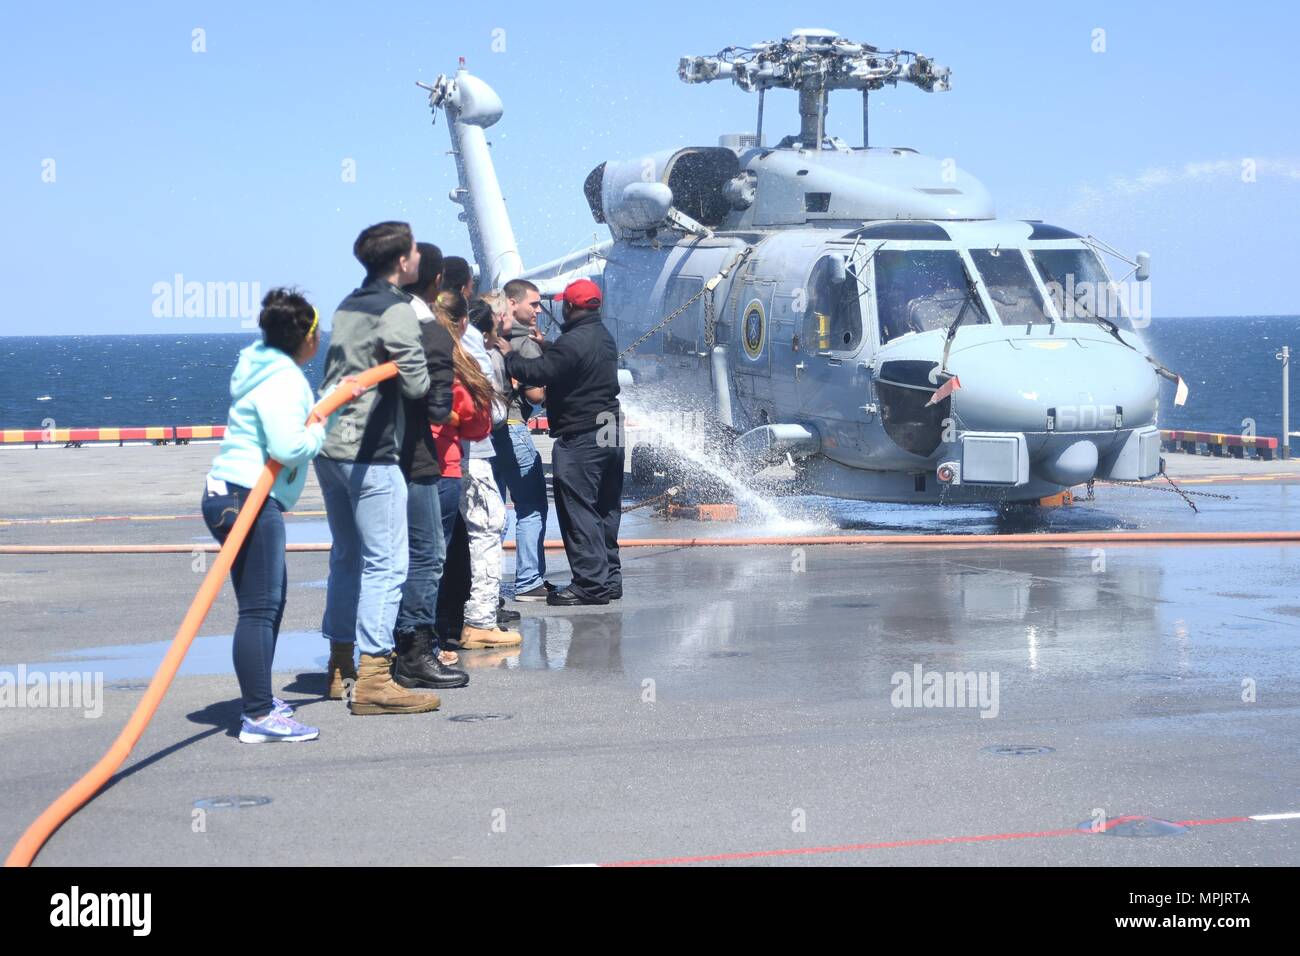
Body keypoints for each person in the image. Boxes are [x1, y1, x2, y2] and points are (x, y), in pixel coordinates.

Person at [316, 221, 440, 716]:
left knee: (346, 557)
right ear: (402, 261)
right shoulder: (397, 309)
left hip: (328, 447)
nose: (417, 257)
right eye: (413, 251)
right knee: (386, 564)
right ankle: (373, 678)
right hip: (371, 452)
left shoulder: (348, 304)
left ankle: (339, 666)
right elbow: (415, 386)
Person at [202, 288, 328, 742]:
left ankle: (258, 699)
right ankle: (257, 715)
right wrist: (319, 431)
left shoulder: (259, 365)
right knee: (259, 610)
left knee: (266, 606)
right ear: (308, 338)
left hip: (232, 495)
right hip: (248, 498)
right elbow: (288, 447)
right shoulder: (285, 379)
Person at [501, 278, 623, 606]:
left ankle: (590, 585)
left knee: (579, 508)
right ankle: (609, 579)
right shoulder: (601, 336)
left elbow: (539, 373)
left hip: (583, 433)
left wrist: (507, 355)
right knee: (605, 506)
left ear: (568, 306)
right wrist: (549, 345)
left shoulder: (573, 342)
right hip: (610, 427)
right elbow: (571, 360)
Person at [395, 241, 470, 688]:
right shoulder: (430, 332)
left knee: (377, 561)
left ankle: (359, 659)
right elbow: (438, 407)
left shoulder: (372, 321)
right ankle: (416, 652)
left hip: (370, 460)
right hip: (421, 462)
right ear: (438, 281)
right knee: (427, 558)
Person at [431, 293, 521, 649]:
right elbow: (485, 415)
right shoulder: (467, 354)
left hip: (446, 459)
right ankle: (480, 619)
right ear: (464, 321)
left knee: (446, 541)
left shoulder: (425, 347)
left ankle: (440, 622)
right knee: (488, 527)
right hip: (471, 455)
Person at [492, 279, 552, 602]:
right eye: (534, 304)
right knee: (531, 507)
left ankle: (485, 587)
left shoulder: (484, 338)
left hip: (486, 434)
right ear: (512, 304)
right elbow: (536, 393)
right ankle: (529, 581)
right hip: (514, 428)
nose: (538, 310)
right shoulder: (523, 341)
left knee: (492, 512)